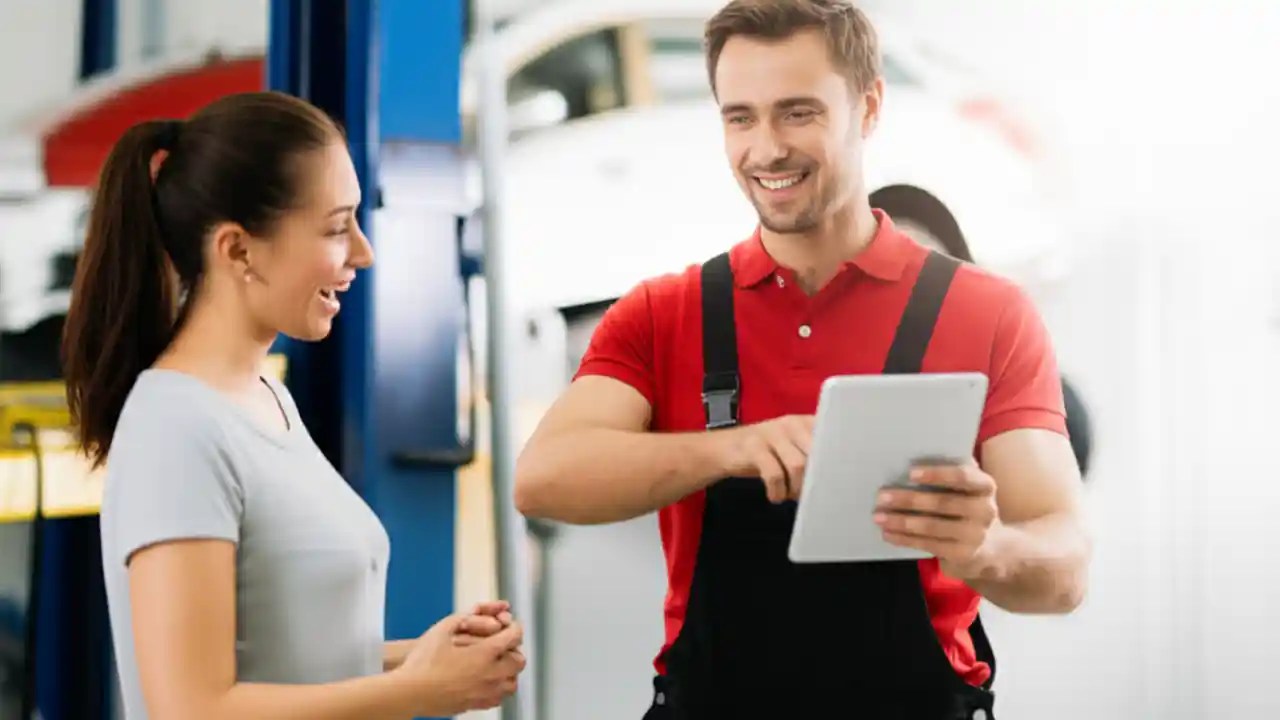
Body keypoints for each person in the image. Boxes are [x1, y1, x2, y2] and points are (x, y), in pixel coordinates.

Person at [512, 1, 1092, 718]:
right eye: (740, 117)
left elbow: (1064, 566)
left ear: (868, 106)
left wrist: (987, 548)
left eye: (798, 113)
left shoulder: (988, 314)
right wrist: (731, 450)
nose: (766, 149)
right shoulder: (664, 314)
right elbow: (542, 481)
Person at [61, 91, 525, 720]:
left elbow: (291, 660)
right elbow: (192, 707)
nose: (362, 252)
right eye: (337, 228)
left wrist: (424, 659)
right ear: (238, 250)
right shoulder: (176, 427)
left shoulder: (264, 399)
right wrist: (418, 690)